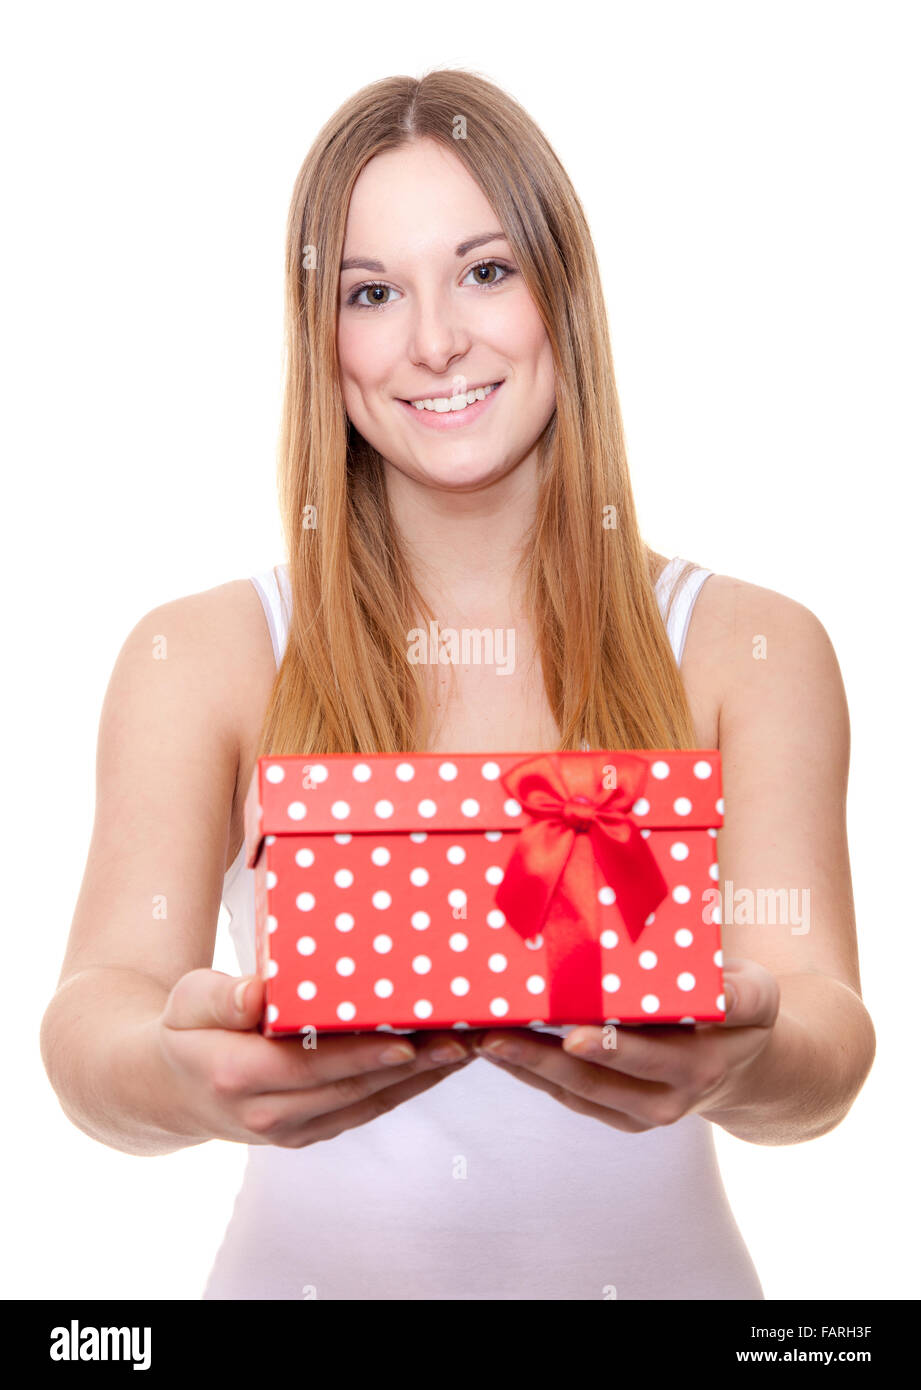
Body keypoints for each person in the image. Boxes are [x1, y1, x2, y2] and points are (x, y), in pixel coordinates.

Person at [40, 69, 875, 1300]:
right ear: (323, 336)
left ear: (563, 292)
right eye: (372, 293)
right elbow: (94, 1011)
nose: (435, 341)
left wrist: (744, 1055)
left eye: (485, 271)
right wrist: (179, 1073)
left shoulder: (748, 646)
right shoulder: (207, 654)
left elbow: (827, 1034)